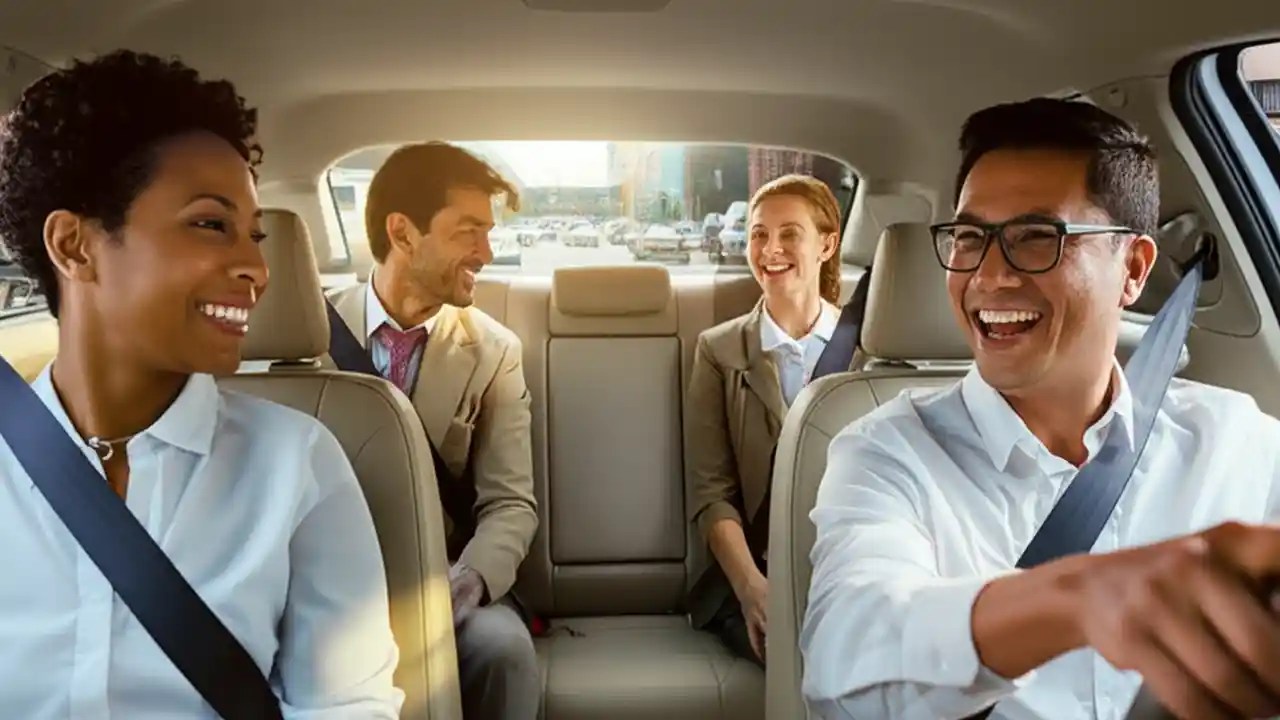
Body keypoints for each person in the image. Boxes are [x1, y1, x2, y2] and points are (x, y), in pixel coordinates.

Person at [801, 96, 1280, 720]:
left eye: (1037, 238)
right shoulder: (886, 451)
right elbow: (847, 658)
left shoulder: (1240, 442)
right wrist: (1077, 597)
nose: (990, 275)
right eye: (970, 237)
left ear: (1133, 269)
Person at [0, 50, 403, 716]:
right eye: (211, 225)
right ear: (75, 246)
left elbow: (348, 706)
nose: (255, 267)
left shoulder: (297, 465)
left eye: (254, 235)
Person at [327, 141, 539, 720]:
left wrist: (466, 583)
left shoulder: (494, 351)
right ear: (402, 233)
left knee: (503, 652)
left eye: (488, 233)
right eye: (469, 231)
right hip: (326, 585)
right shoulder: (306, 340)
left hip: (442, 580)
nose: (486, 252)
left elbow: (511, 502)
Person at [685, 174, 845, 667]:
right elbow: (711, 494)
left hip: (851, 572)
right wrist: (754, 590)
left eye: (789, 233)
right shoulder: (718, 350)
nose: (770, 248)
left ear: (827, 245)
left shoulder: (871, 351)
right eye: (758, 234)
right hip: (759, 572)